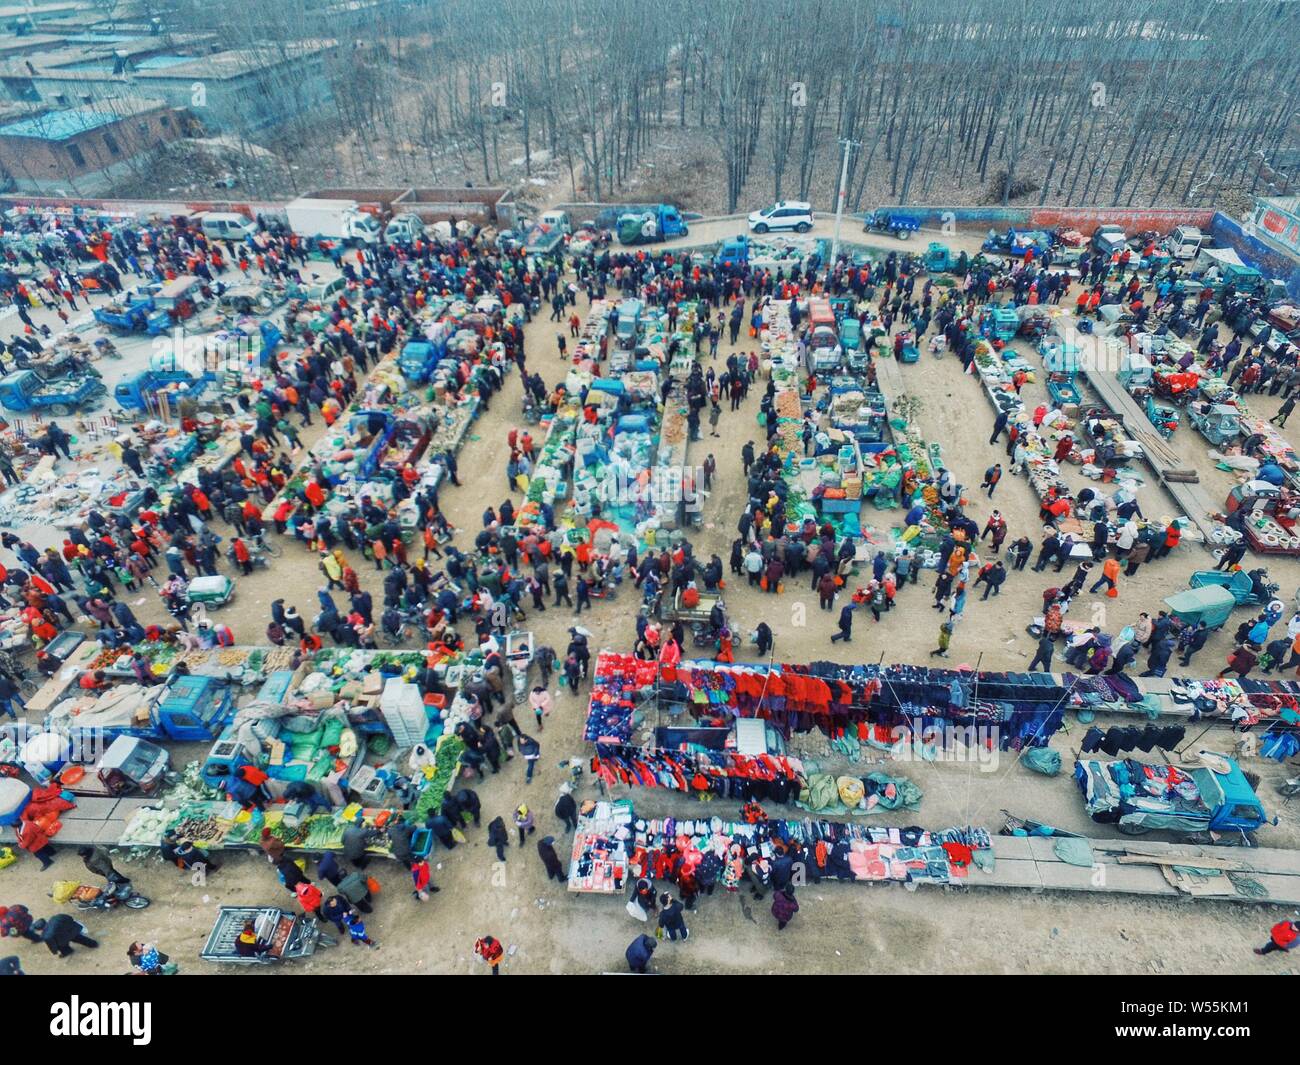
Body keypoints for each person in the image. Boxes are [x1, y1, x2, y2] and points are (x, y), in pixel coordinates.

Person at [33, 914, 98, 957]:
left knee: (62, 947)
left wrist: (54, 951)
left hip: (62, 940)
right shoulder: (55, 918)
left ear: (39, 929)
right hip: (71, 931)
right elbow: (69, 918)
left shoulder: (45, 935)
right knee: (81, 939)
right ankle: (93, 944)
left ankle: (68, 951)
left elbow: (52, 945)